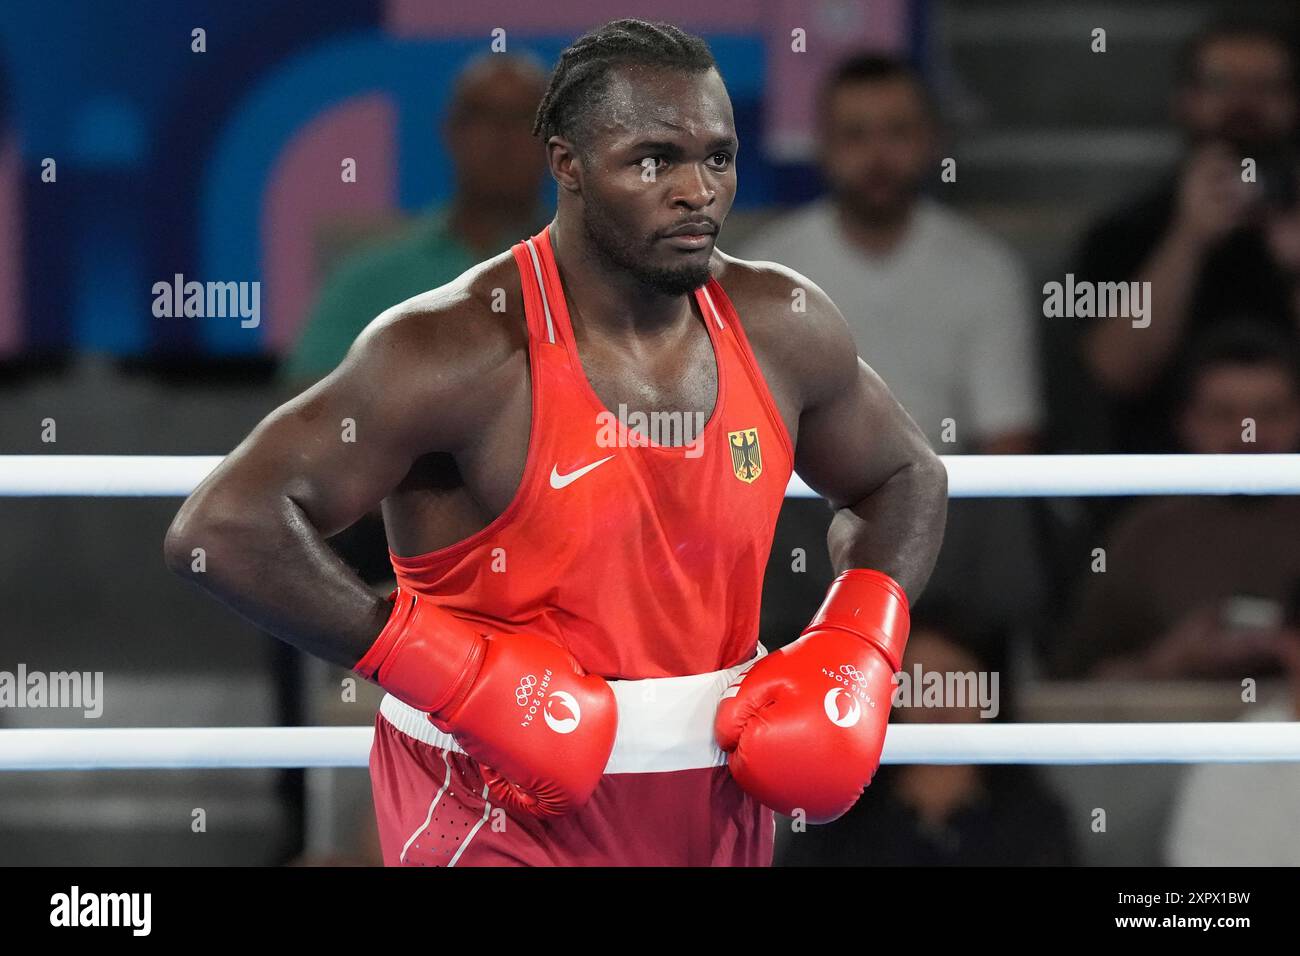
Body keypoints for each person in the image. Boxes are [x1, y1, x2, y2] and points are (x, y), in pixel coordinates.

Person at [165, 18, 947, 867]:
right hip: (490, 804)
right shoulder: (455, 348)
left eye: (717, 158)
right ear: (567, 163)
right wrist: (447, 672)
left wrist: (855, 647)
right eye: (653, 160)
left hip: (712, 800)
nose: (696, 191)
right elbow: (225, 527)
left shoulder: (781, 326)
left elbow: (906, 476)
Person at [1070, 18, 1299, 453]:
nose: (1244, 103)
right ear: (1185, 101)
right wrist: (1187, 240)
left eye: (1267, 86)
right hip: (1159, 494)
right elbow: (1114, 373)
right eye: (1222, 83)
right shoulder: (1122, 233)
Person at [282, 53, 552, 388]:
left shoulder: (593, 275)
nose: (502, 136)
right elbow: (308, 401)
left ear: (553, 141)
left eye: (523, 118)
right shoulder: (366, 281)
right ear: (451, 132)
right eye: (483, 116)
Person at [1053, 319, 1300, 679]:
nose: (1250, 433)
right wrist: (1167, 663)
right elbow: (1071, 685)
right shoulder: (1145, 534)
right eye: (1224, 414)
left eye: (1271, 412)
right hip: (1176, 727)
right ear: (1188, 421)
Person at [778, 607, 1074, 866]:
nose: (935, 698)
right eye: (917, 681)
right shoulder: (838, 820)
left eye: (953, 677)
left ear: (991, 690)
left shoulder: (1035, 822)